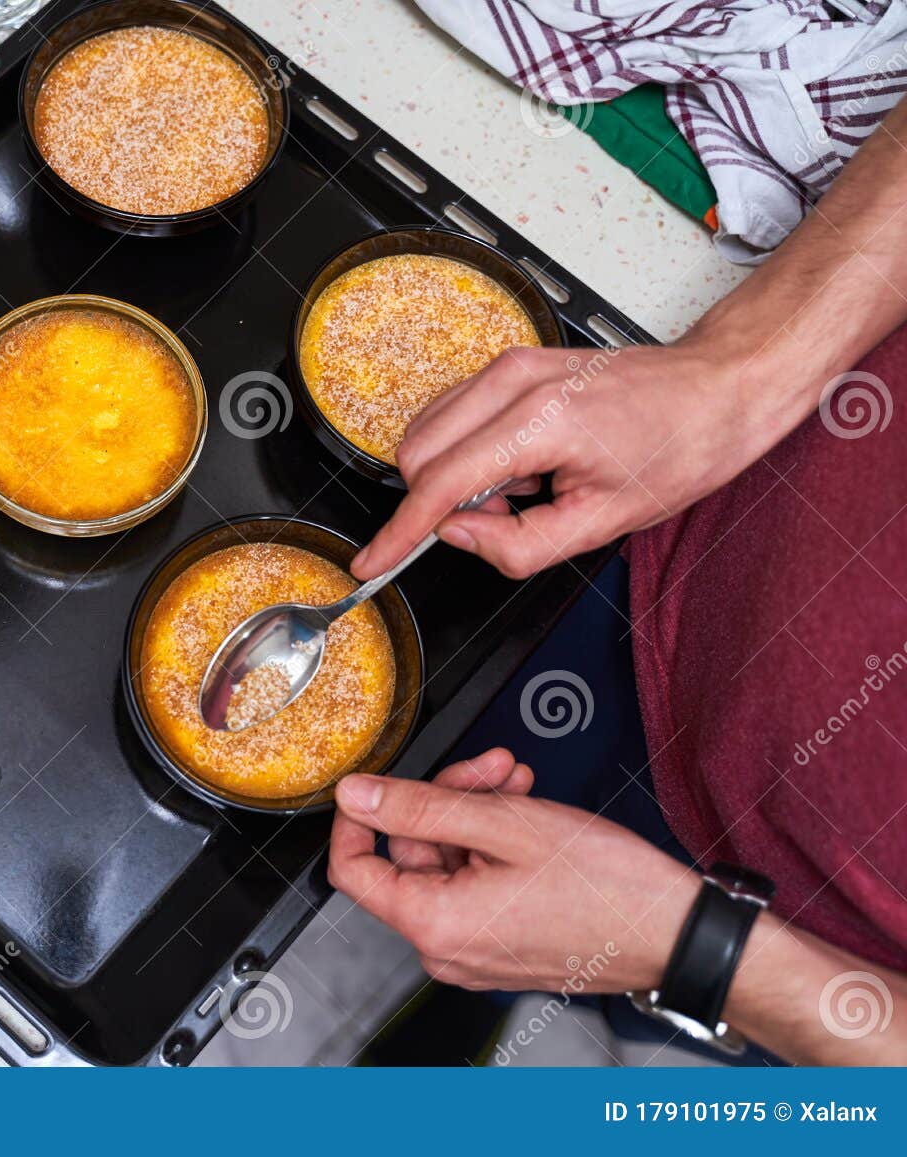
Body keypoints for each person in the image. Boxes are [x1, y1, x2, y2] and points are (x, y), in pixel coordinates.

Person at [327, 100, 907, 1065]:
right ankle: (470, 984)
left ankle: (490, 1006)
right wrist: (743, 370)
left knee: (573, 964)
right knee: (465, 820)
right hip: (674, 552)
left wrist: (696, 955)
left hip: (807, 934)